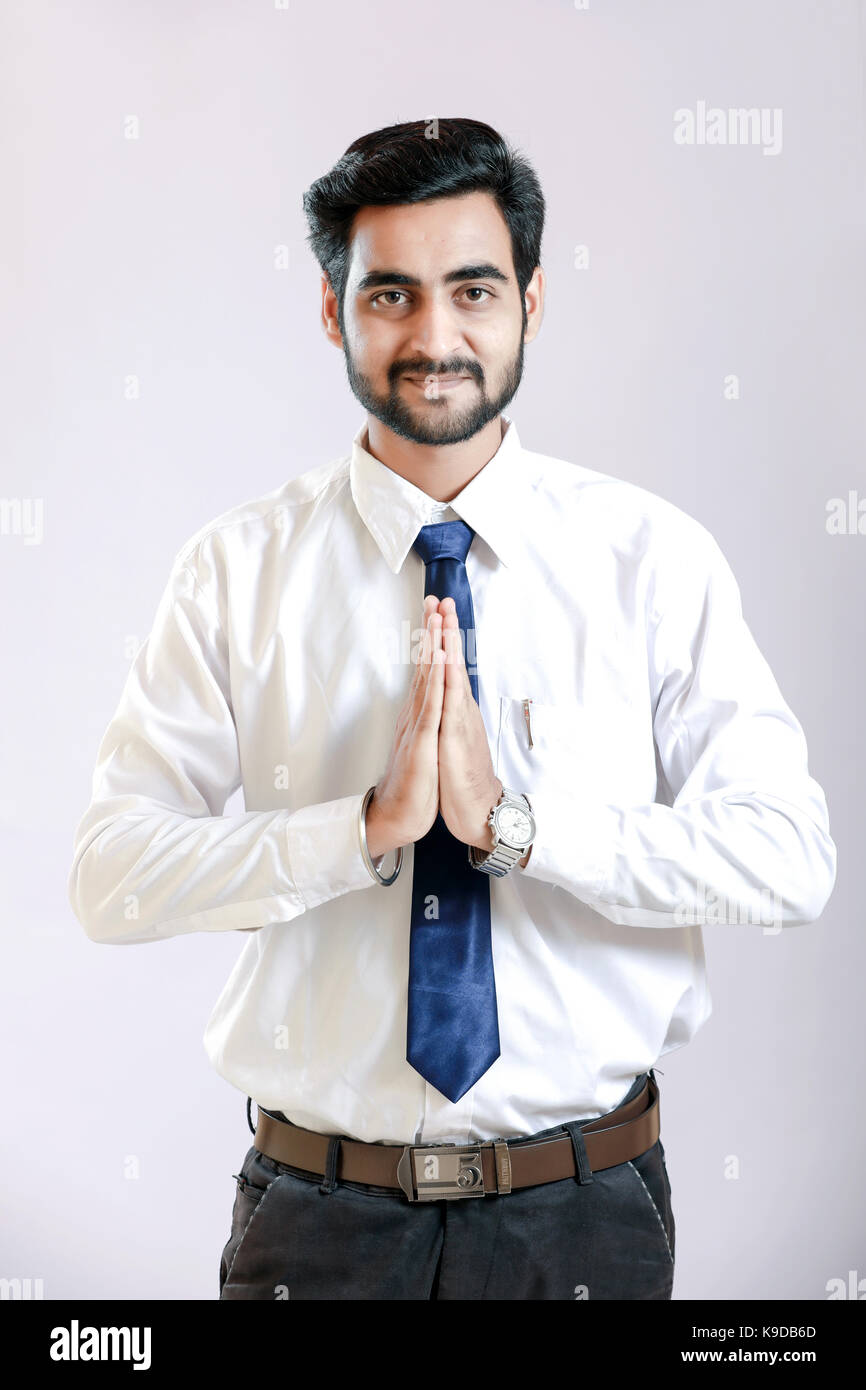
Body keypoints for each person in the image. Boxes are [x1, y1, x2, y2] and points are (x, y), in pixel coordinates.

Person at [67, 117, 837, 1301]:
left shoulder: (650, 561)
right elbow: (108, 877)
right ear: (332, 312)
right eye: (389, 295)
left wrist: (519, 826)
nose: (434, 337)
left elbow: (790, 862)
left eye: (471, 289)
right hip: (317, 1220)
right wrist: (360, 831)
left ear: (531, 299)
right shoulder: (234, 571)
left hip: (582, 1214)